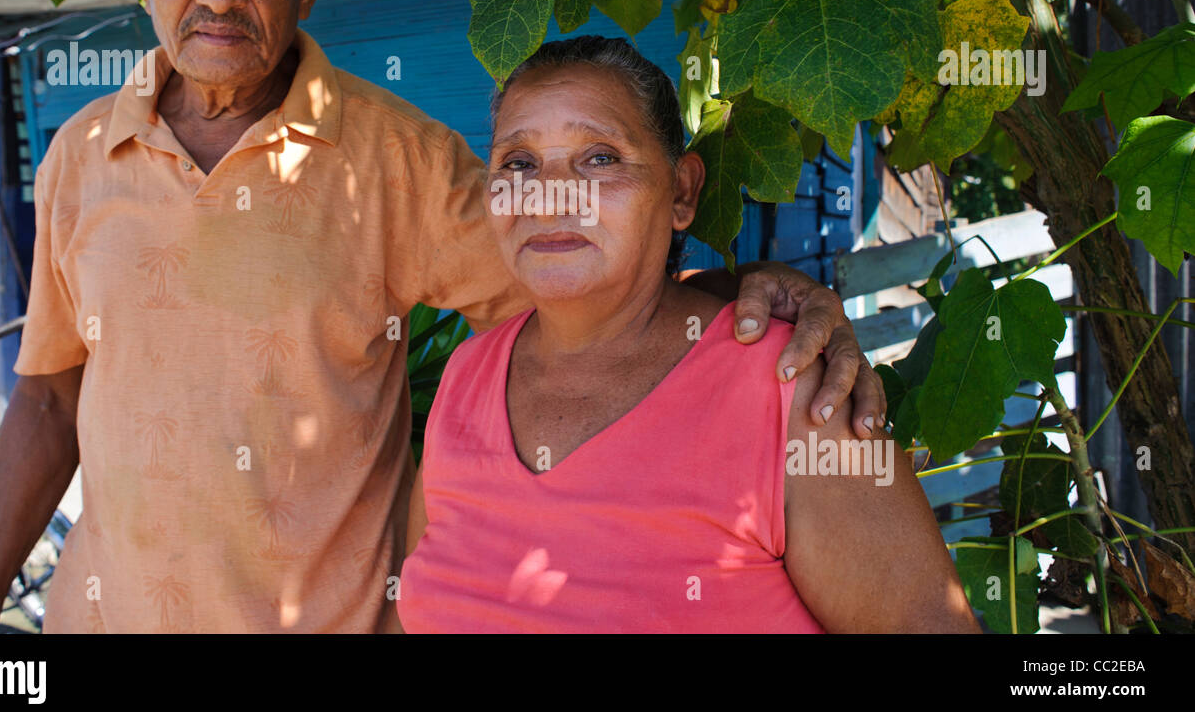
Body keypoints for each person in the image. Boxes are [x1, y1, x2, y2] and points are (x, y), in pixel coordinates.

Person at [0, 0, 885, 634]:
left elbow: (588, 287)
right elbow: (50, 397)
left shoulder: (393, 157)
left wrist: (766, 297)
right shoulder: (79, 153)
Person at [398, 37, 979, 633]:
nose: (550, 195)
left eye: (599, 157)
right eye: (518, 163)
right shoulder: (466, 377)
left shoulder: (793, 389)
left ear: (681, 192)